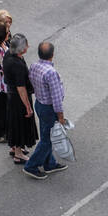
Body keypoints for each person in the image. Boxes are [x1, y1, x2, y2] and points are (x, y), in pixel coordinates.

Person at [22, 42, 67, 179]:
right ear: (52, 55)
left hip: (39, 104)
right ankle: (31, 166)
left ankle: (49, 163)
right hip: (49, 109)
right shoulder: (51, 73)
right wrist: (61, 117)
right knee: (48, 140)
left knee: (45, 135)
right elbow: (56, 98)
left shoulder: (34, 66)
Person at [2, 33, 36, 164]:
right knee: (19, 124)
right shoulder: (17, 64)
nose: (28, 46)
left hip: (11, 95)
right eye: (26, 45)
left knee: (14, 123)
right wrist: (28, 107)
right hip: (18, 99)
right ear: (21, 48)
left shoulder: (8, 55)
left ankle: (15, 147)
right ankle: (18, 153)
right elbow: (21, 88)